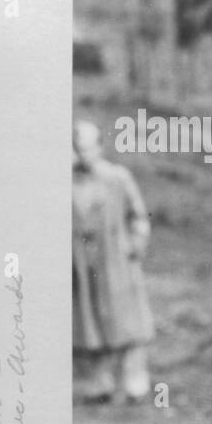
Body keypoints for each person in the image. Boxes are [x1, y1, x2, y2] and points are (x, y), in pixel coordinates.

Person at [72, 118, 154, 404]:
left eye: (87, 147)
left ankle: (134, 382)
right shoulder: (66, 181)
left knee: (127, 321)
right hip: (82, 264)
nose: (82, 154)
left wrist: (134, 246)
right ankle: (98, 383)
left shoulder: (117, 177)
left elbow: (138, 216)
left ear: (99, 147)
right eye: (77, 148)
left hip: (116, 259)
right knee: (88, 322)